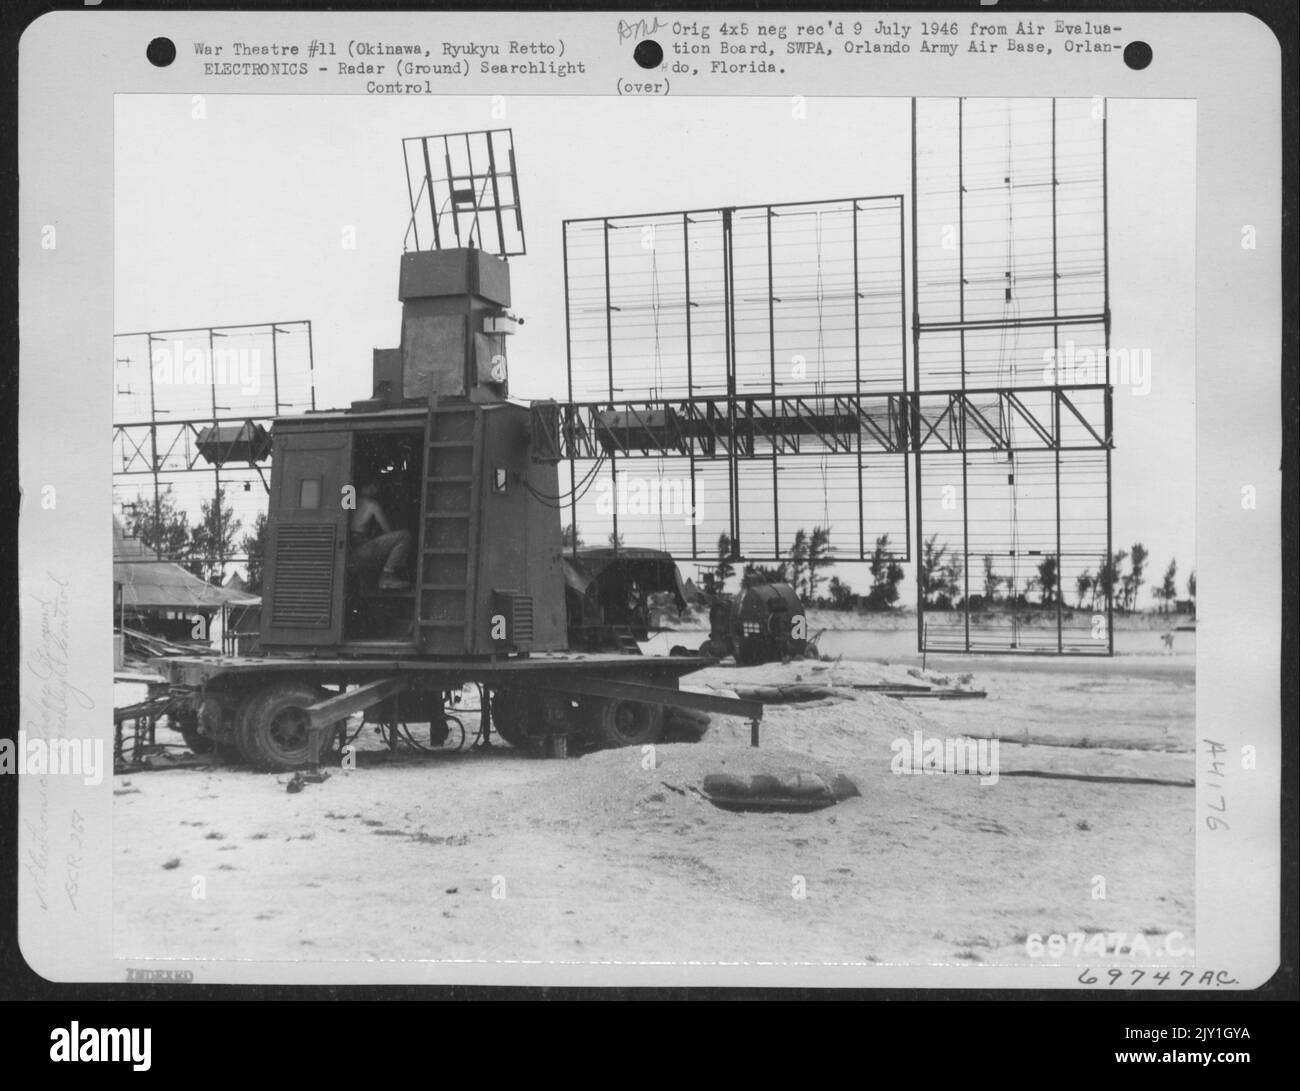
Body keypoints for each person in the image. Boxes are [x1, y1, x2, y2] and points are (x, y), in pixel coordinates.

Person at [350, 482, 412, 590]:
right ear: (366, 486)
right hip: (364, 549)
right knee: (404, 536)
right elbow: (387, 530)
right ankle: (387, 576)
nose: (376, 490)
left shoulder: (349, 503)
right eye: (374, 486)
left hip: (350, 552)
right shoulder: (372, 504)